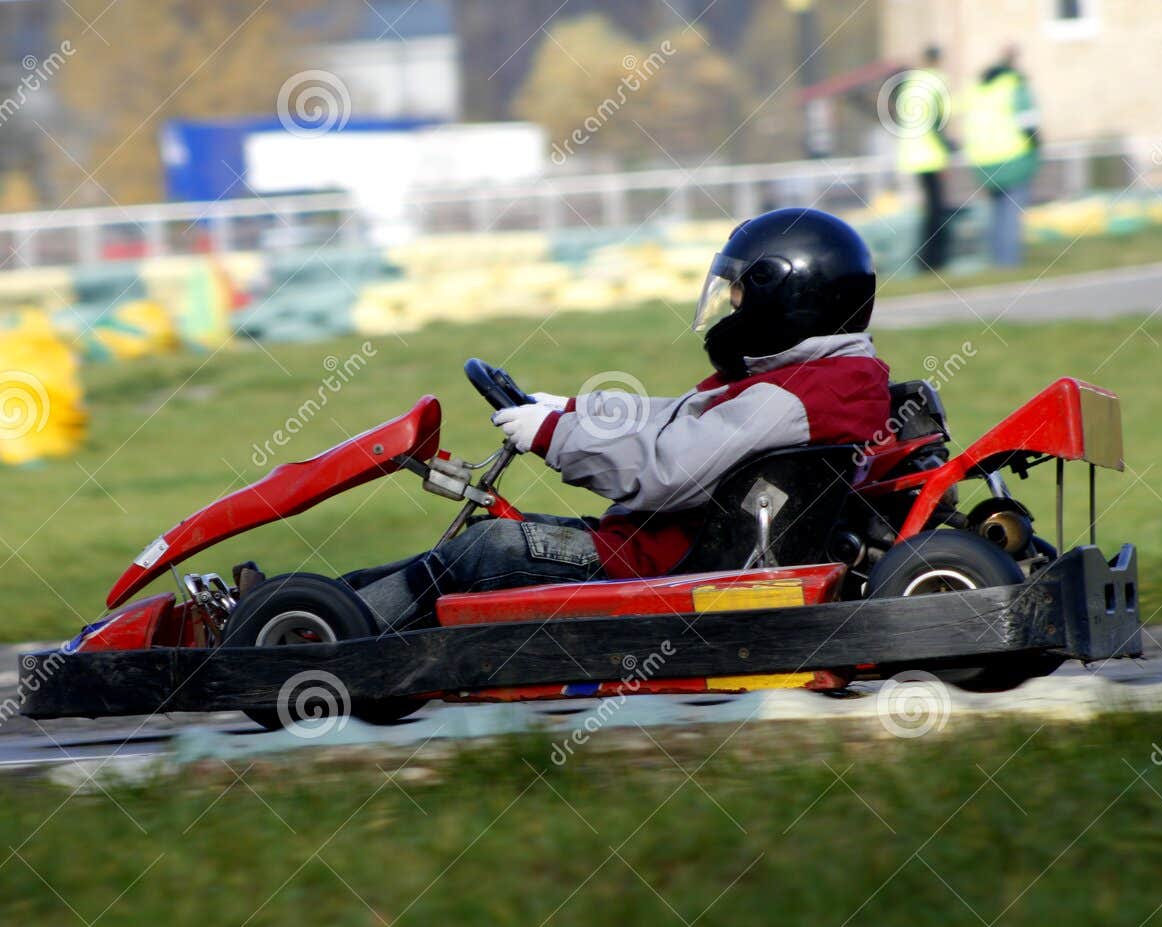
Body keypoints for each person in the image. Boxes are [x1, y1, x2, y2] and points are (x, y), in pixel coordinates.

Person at [341, 207, 892, 632]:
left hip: (669, 569)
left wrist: (556, 437)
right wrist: (570, 410)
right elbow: (675, 418)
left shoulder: (786, 398)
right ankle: (321, 602)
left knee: (489, 549)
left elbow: (666, 470)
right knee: (490, 534)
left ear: (787, 297)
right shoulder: (809, 380)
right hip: (665, 547)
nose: (730, 305)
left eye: (740, 292)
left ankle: (329, 637)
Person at [966, 47, 1040, 268]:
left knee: (996, 214)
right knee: (1010, 214)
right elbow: (1029, 124)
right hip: (1014, 159)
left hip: (983, 163)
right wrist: (1038, 147)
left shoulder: (977, 91)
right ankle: (1009, 262)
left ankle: (996, 260)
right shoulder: (1014, 87)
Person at [893, 45, 956, 272]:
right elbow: (937, 122)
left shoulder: (912, 83)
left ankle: (927, 260)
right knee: (937, 211)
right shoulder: (936, 82)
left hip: (912, 154)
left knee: (930, 210)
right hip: (930, 156)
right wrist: (946, 152)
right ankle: (933, 260)